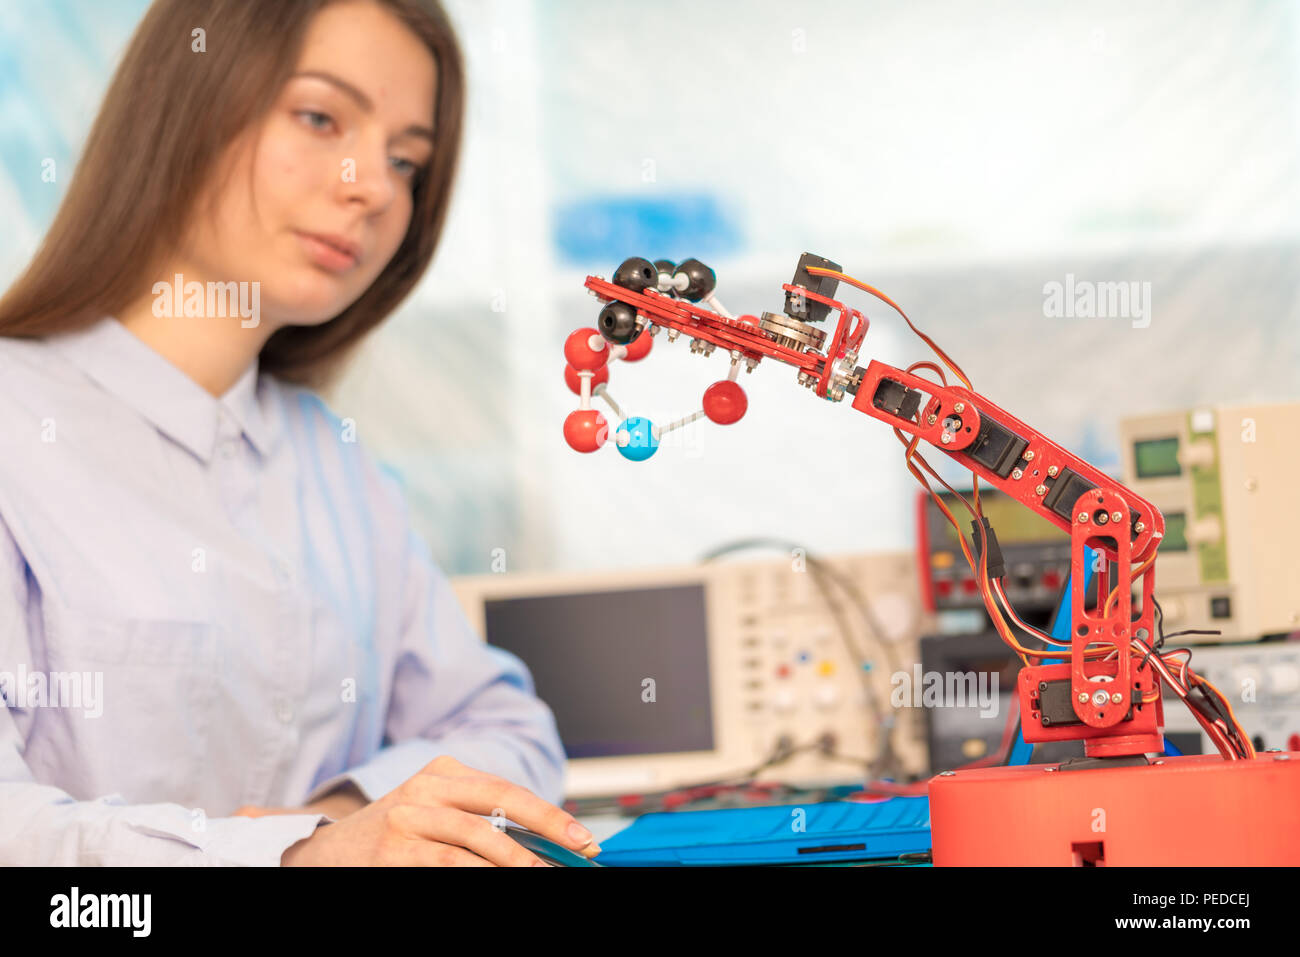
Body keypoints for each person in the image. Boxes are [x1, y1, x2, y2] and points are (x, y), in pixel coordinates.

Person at [0, 0, 593, 866]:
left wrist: (344, 817)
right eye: (320, 117)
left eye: (407, 161)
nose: (375, 187)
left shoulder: (328, 455)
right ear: (184, 104)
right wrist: (292, 855)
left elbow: (504, 726)